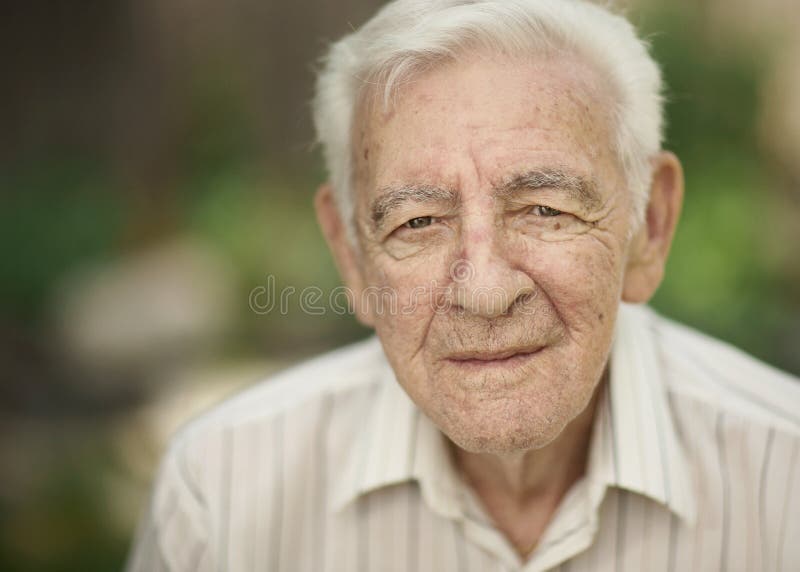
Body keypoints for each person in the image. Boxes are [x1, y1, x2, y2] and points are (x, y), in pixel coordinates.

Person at [126, 1, 800, 570]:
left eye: (545, 210)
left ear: (649, 225)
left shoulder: (784, 479)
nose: (483, 292)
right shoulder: (219, 494)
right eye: (418, 222)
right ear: (352, 256)